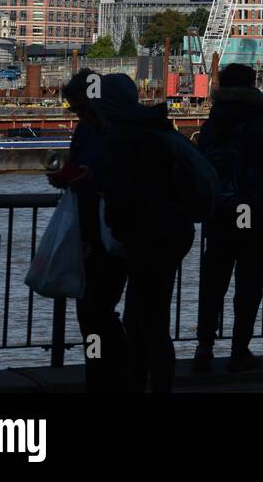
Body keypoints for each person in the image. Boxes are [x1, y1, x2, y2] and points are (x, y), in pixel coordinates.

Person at [97, 73, 197, 393]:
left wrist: (116, 229)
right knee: (152, 316)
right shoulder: (159, 127)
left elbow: (119, 191)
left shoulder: (122, 136)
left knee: (143, 319)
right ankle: (153, 381)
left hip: (145, 236)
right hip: (173, 233)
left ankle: (140, 381)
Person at [192, 63, 263, 374]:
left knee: (213, 281)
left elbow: (201, 163)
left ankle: (204, 347)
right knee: (249, 283)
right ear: (252, 84)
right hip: (253, 211)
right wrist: (258, 186)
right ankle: (239, 350)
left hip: (219, 211)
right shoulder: (259, 119)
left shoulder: (214, 120)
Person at [47, 68, 129, 393]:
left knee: (97, 308)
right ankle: (101, 370)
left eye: (82, 108)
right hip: (90, 231)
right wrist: (68, 175)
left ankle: (114, 368)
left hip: (113, 233)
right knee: (89, 310)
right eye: (75, 110)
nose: (79, 114)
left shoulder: (118, 133)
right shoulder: (87, 130)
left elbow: (123, 179)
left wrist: (89, 180)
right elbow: (82, 165)